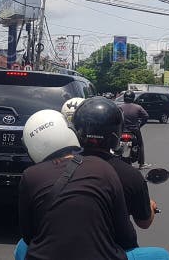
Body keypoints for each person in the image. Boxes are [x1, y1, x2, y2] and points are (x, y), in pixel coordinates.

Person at [15, 109, 149, 260]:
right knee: (161, 255)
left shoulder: (30, 176)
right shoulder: (103, 168)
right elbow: (126, 237)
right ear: (70, 131)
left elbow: (28, 236)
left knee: (21, 246)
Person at [73, 97, 158, 241]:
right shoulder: (131, 175)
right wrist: (150, 206)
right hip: (114, 249)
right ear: (116, 133)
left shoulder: (52, 169)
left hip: (65, 246)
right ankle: (142, 161)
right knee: (161, 255)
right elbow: (144, 223)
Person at [119, 90, 150, 169]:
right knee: (140, 145)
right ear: (133, 98)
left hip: (121, 130)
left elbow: (113, 117)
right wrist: (140, 125)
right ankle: (142, 163)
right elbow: (146, 116)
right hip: (134, 130)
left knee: (114, 144)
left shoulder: (119, 107)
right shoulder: (138, 107)